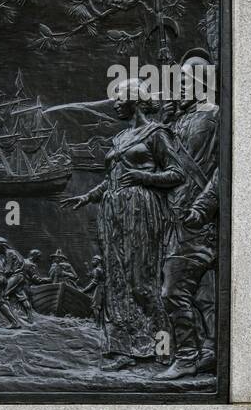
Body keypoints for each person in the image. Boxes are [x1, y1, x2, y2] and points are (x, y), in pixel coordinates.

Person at [61, 78, 183, 370]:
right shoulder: (118, 139)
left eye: (119, 98)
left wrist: (144, 177)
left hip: (142, 210)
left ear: (135, 100)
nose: (115, 104)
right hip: (113, 212)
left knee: (142, 283)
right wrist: (87, 196)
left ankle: (163, 346)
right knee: (117, 284)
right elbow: (111, 179)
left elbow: (177, 174)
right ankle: (125, 350)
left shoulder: (156, 134)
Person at [159, 49, 220, 380]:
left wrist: (203, 206)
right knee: (201, 294)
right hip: (175, 215)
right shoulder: (181, 118)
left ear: (203, 83)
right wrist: (168, 122)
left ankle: (186, 356)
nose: (179, 85)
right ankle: (208, 352)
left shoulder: (214, 117)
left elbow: (221, 170)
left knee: (173, 292)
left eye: (185, 80)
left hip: (196, 219)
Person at [0, 236, 34, 322]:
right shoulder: (14, 252)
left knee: (1, 295)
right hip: (21, 277)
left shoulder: (9, 253)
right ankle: (30, 317)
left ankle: (8, 318)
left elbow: (8, 270)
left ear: (3, 246)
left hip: (15, 276)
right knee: (22, 297)